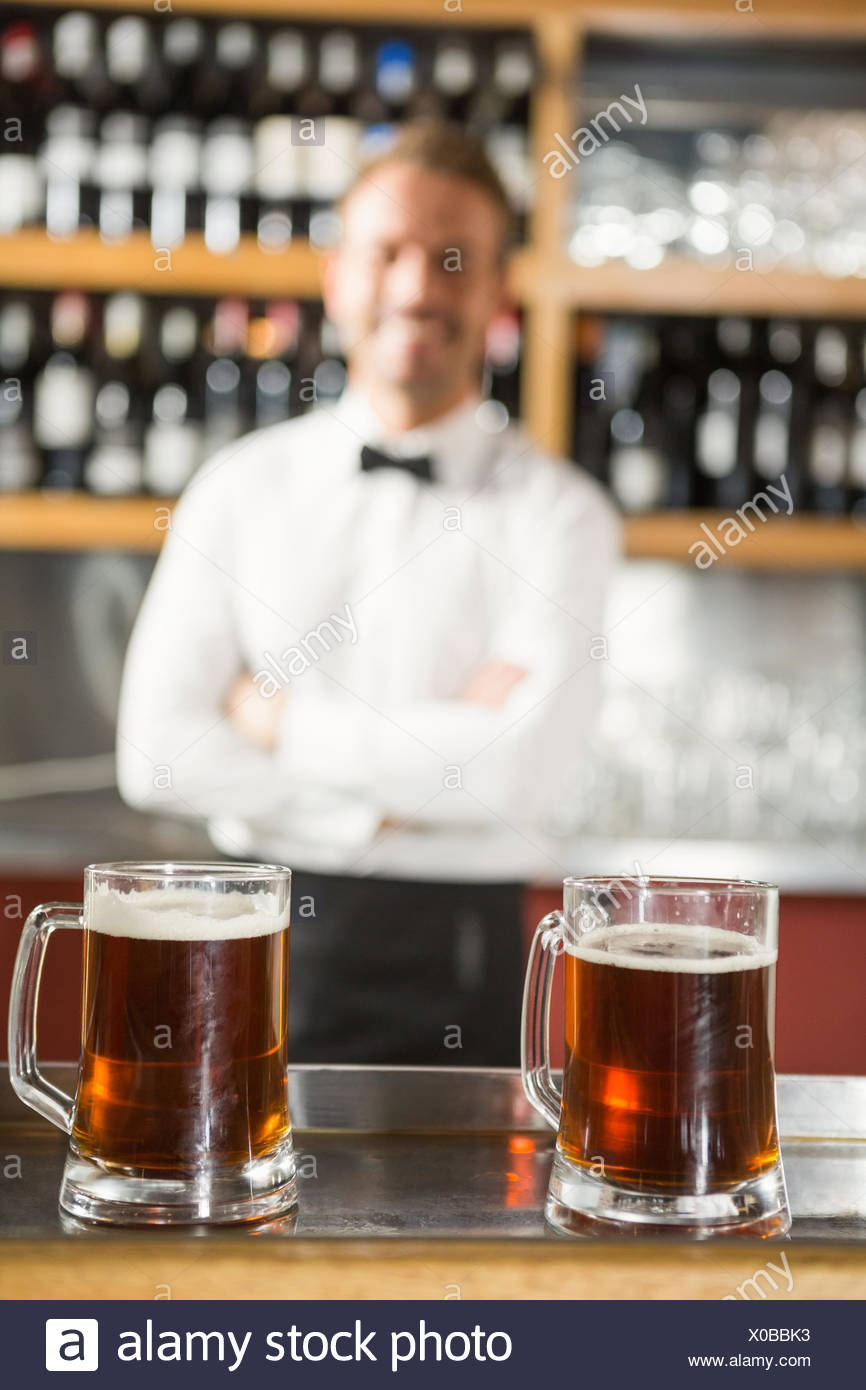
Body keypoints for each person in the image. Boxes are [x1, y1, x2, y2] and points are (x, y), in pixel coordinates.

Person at [116, 122, 620, 1066]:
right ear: (336, 276)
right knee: (229, 1197)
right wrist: (400, 795)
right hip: (243, 929)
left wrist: (277, 722)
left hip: (461, 953)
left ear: (500, 291)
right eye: (387, 252)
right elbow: (156, 755)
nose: (418, 286)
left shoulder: (565, 516)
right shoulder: (237, 486)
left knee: (463, 1211)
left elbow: (520, 776)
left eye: (454, 258)